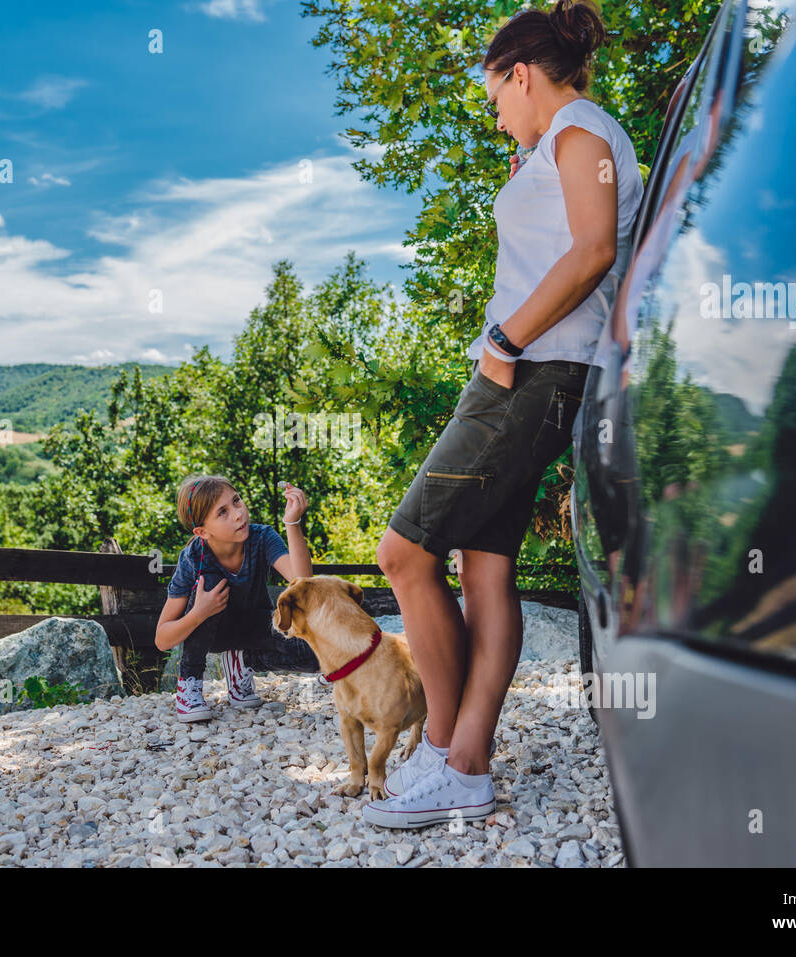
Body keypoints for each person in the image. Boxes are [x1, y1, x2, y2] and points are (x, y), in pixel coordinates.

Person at [365, 0, 644, 828]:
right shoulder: (554, 146)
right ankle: (467, 762)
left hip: (531, 372)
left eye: (495, 97)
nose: (496, 117)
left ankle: (447, 749)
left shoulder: (580, 130)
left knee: (403, 552)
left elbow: (594, 250)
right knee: (482, 569)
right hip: (524, 369)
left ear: (521, 74)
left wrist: (504, 338)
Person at [155, 474, 319, 722]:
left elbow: (303, 583)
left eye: (236, 501)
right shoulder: (193, 557)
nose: (237, 514)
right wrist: (199, 612)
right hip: (213, 631)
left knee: (318, 652)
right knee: (208, 582)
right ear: (202, 531)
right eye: (222, 512)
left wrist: (292, 523)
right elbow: (162, 639)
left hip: (257, 627)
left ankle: (243, 660)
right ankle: (189, 685)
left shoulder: (262, 537)